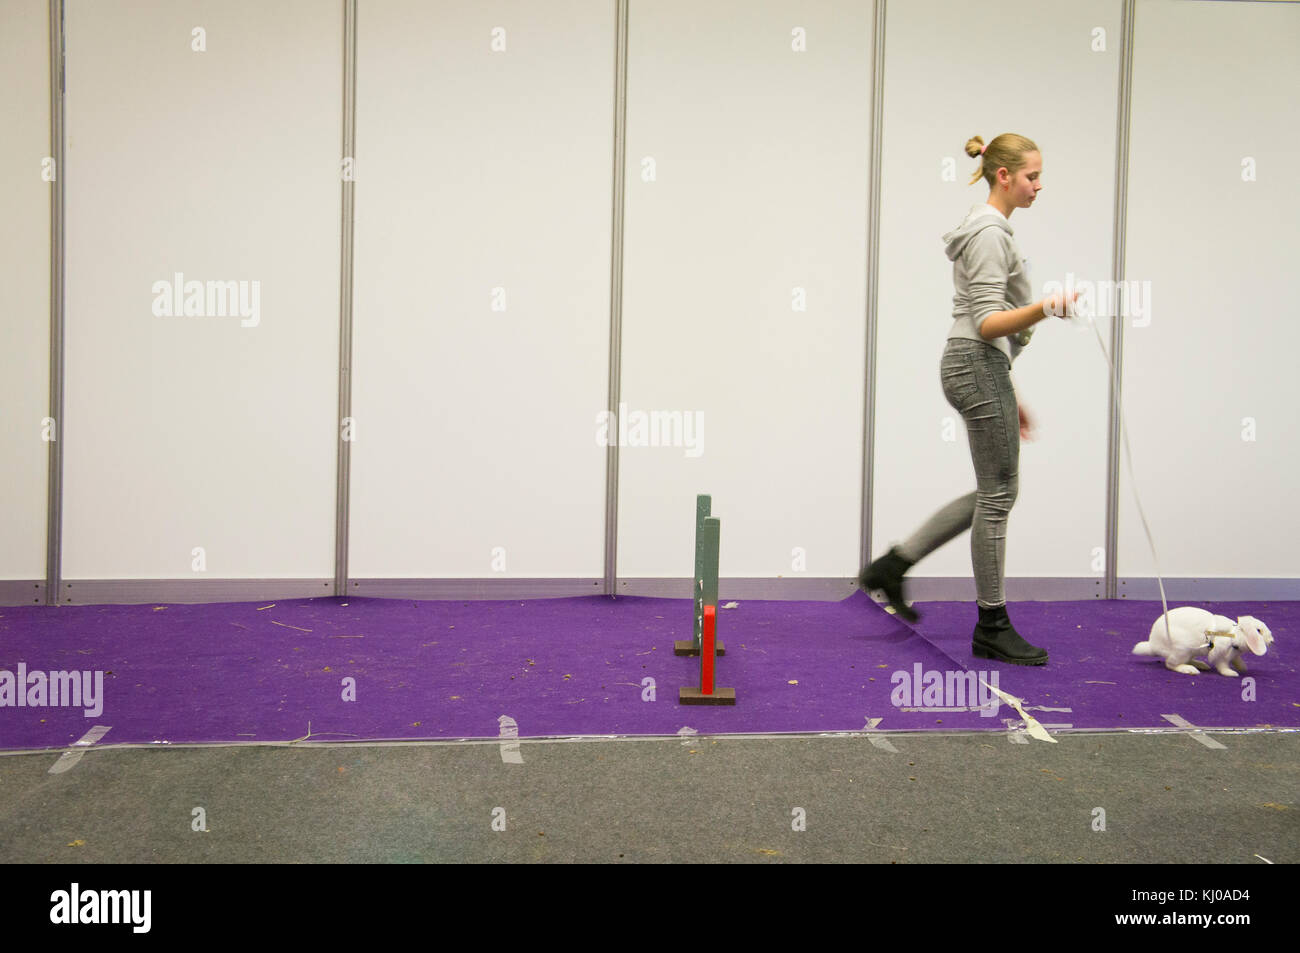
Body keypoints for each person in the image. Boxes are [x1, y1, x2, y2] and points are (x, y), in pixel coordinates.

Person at [860, 133, 1076, 666]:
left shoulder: (991, 231)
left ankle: (892, 566)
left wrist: (1012, 390)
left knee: (992, 491)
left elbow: (988, 334)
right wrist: (1045, 308)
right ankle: (992, 625)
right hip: (974, 363)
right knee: (1000, 494)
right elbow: (986, 322)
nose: (1038, 185)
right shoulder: (988, 234)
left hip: (981, 366)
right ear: (1004, 176)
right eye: (1031, 176)